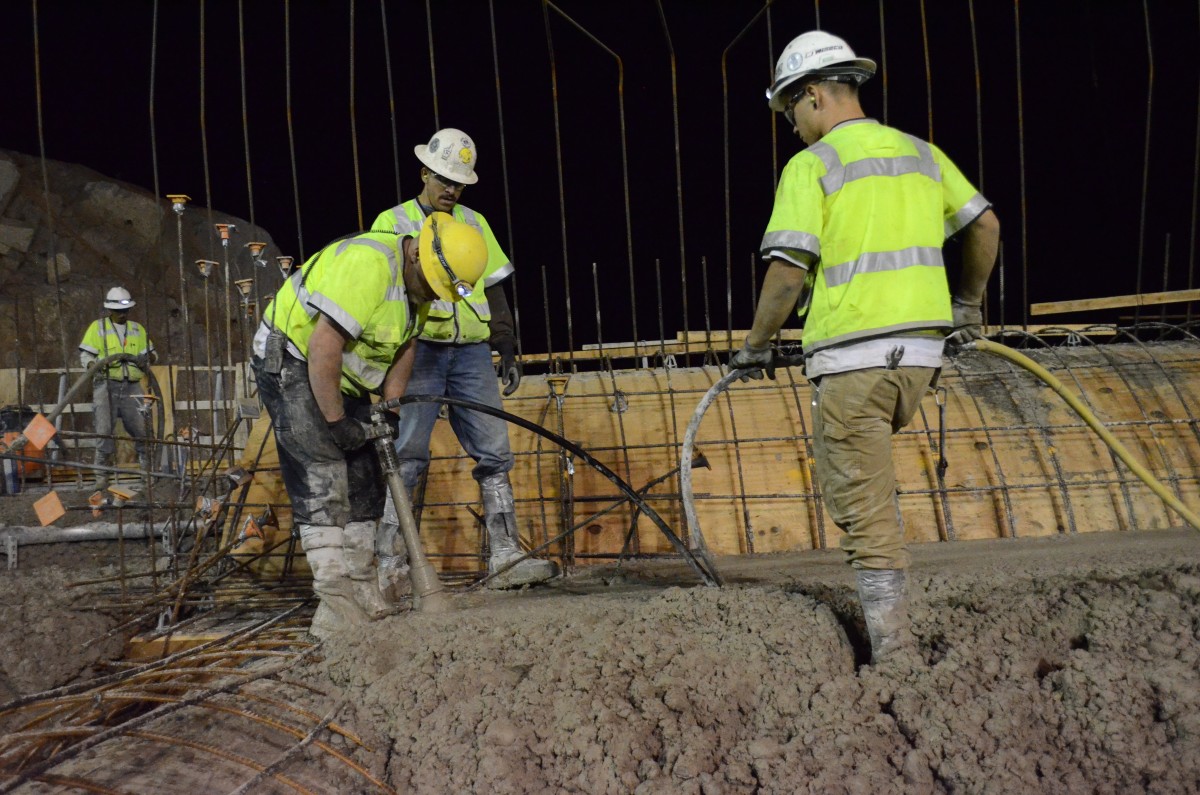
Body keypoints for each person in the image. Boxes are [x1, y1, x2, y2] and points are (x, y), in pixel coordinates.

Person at [730, 31, 1001, 664]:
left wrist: (756, 344)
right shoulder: (921, 153)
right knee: (869, 488)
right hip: (919, 361)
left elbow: (788, 270)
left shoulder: (814, 165)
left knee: (862, 506)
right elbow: (984, 224)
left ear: (813, 94)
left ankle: (896, 652)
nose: (792, 127)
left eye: (791, 111)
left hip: (855, 360)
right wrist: (967, 305)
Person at [250, 213, 487, 639]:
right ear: (415, 255)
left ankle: (361, 585)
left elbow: (406, 345)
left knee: (365, 477)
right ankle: (335, 606)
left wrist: (390, 410)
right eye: (432, 286)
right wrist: (336, 421)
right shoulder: (369, 265)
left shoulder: (422, 282)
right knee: (323, 470)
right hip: (294, 357)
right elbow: (324, 345)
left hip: (341, 373)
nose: (433, 295)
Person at [371, 128, 557, 591]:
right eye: (443, 179)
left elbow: (493, 287)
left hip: (472, 351)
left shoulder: (474, 223)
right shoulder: (393, 222)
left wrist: (506, 343)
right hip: (419, 349)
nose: (451, 189)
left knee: (495, 453)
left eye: (459, 182)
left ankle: (505, 555)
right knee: (407, 454)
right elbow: (384, 289)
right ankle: (391, 562)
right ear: (424, 173)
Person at [78, 287, 157, 490]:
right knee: (104, 432)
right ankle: (101, 478)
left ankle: (148, 474)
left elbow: (152, 354)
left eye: (126, 310)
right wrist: (93, 365)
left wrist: (147, 359)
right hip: (106, 385)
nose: (122, 314)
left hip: (132, 386)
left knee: (143, 430)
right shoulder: (97, 328)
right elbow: (86, 355)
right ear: (109, 310)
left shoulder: (137, 329)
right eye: (118, 311)